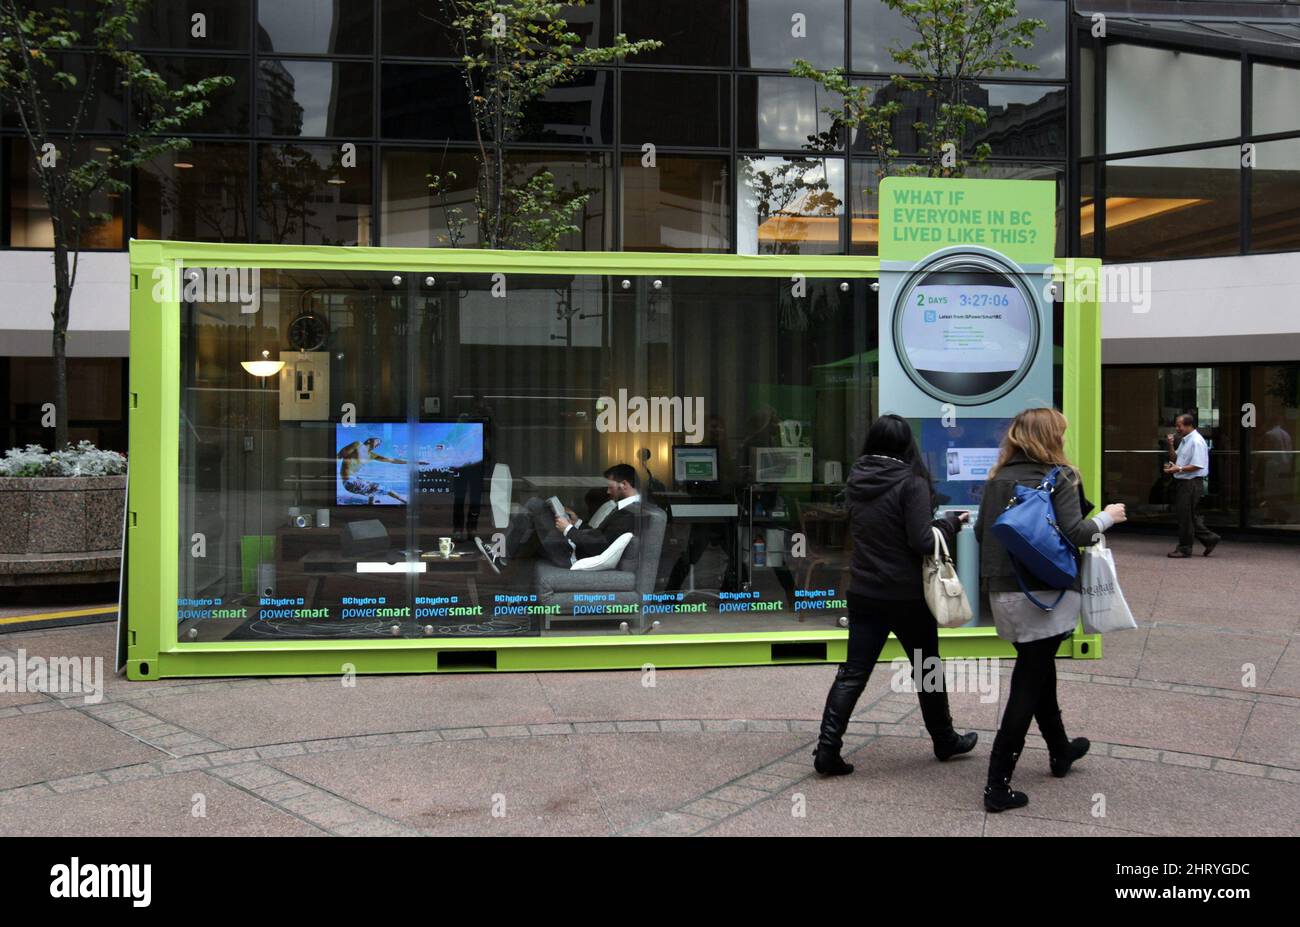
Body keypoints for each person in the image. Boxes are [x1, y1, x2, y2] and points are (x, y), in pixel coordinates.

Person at [975, 408, 1127, 812]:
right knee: (1027, 682)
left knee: (1039, 667)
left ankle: (1060, 749)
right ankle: (997, 784)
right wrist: (1106, 518)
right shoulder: (1061, 477)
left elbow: (980, 533)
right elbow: (1076, 533)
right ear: (1050, 438)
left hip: (1004, 593)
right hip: (1049, 593)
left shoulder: (996, 480)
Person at [812, 414, 977, 776]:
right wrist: (951, 522)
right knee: (927, 667)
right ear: (906, 445)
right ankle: (944, 739)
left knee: (853, 673)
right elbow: (920, 540)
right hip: (906, 595)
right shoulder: (911, 482)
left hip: (865, 590)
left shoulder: (857, 477)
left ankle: (827, 749)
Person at [474, 464, 641, 572]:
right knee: (537, 518)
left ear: (624, 485)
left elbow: (599, 546)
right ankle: (502, 556)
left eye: (610, 487)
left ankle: (501, 555)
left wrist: (567, 529)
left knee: (533, 504)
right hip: (574, 548)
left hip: (572, 556)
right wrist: (578, 522)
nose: (607, 492)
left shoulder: (629, 513)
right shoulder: (627, 509)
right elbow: (600, 536)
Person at [1165, 413, 1220, 558]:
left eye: (1179, 426)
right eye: (1177, 425)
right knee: (1188, 515)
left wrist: (1179, 469)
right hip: (1185, 481)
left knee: (1185, 517)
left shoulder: (1196, 441)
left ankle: (1185, 548)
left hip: (1191, 482)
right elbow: (1175, 458)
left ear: (1189, 425)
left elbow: (1198, 465)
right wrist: (1171, 445)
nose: (1177, 429)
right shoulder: (1185, 440)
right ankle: (1209, 539)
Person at [336, 436, 428, 504]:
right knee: (387, 490)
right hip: (350, 481)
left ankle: (370, 505)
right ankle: (405, 501)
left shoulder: (371, 455)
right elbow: (339, 455)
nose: (379, 444)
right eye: (377, 441)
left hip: (353, 482)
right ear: (369, 440)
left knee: (372, 491)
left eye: (379, 444)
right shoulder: (358, 444)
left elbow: (392, 460)